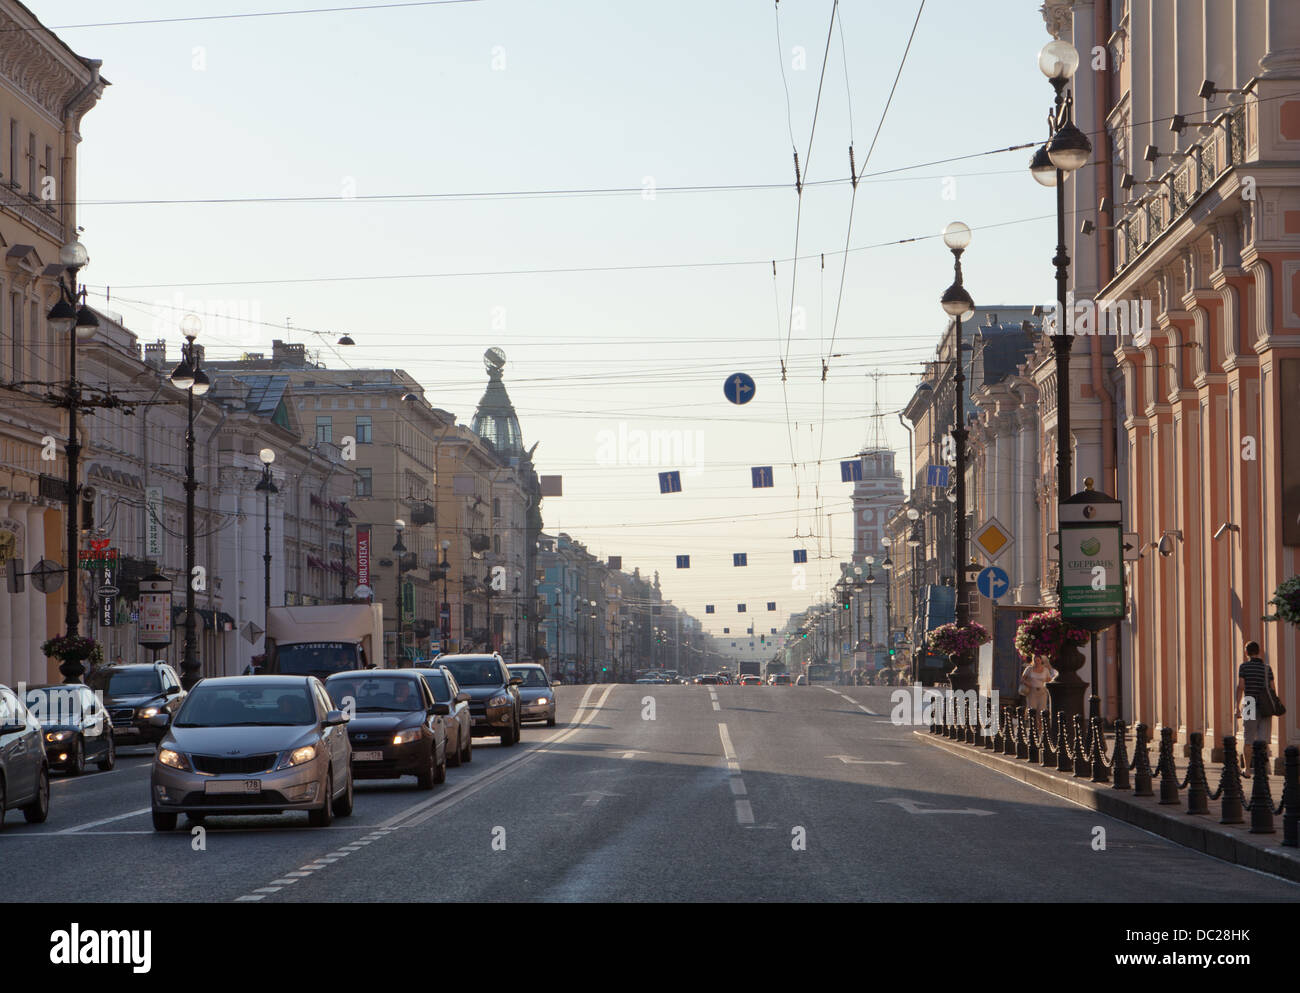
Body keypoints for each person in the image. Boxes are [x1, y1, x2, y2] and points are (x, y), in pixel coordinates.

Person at [1237, 639, 1277, 763]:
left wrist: (1236, 706)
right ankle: (1262, 770)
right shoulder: (1267, 668)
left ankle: (1248, 768)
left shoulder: (1244, 667)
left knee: (1248, 739)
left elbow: (1241, 686)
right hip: (1265, 705)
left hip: (1249, 702)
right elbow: (1272, 688)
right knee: (1262, 739)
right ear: (1259, 652)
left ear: (1246, 653)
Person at [1019, 656, 1058, 731]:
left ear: (1041, 661)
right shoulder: (1029, 669)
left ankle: (1040, 730)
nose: (1037, 662)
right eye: (1035, 660)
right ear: (1033, 661)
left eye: (1038, 660)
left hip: (1042, 692)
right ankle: (1033, 730)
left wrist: (1047, 682)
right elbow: (1022, 679)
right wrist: (1028, 684)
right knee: (1032, 711)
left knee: (1041, 711)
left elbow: (1049, 680)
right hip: (1032, 692)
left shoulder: (1045, 670)